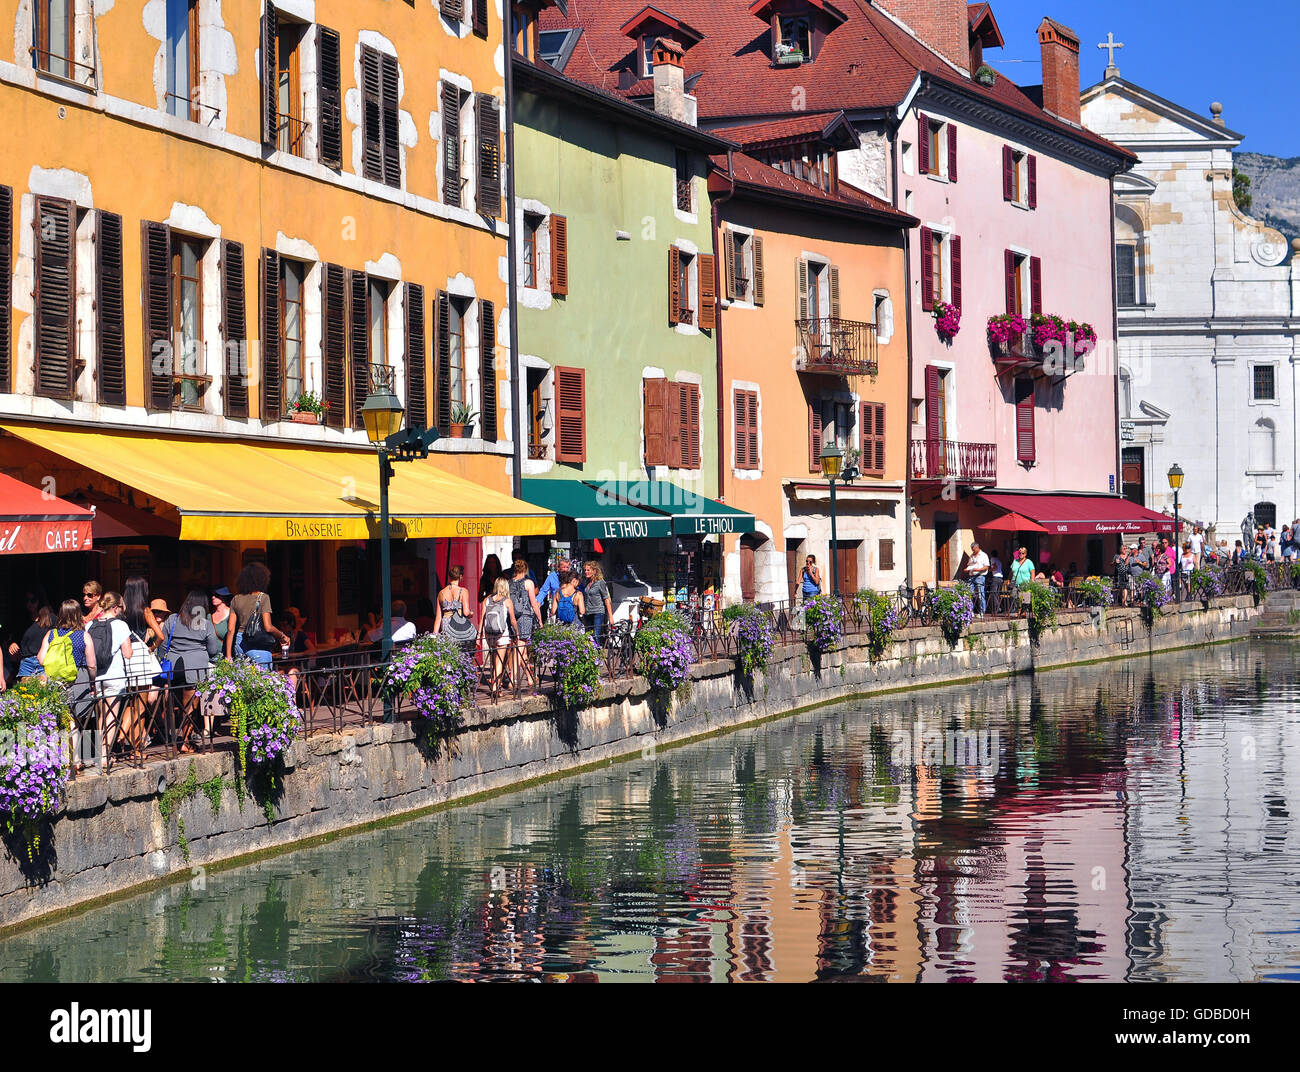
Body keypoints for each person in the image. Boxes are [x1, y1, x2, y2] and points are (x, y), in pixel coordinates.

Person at [37, 599, 97, 767]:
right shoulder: (83, 635)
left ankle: (63, 759)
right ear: (78, 615)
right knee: (75, 721)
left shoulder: (51, 634)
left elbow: (41, 659)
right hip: (78, 680)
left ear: (61, 614)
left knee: (61, 720)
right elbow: (92, 664)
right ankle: (76, 759)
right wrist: (92, 681)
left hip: (55, 680)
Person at [163, 590, 224, 751]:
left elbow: (163, 644)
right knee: (189, 707)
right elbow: (213, 650)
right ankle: (184, 742)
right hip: (194, 670)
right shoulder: (205, 623)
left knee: (172, 704)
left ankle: (168, 737)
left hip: (173, 668)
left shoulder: (172, 619)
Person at [87, 592, 135, 765]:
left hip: (96, 676)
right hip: (114, 676)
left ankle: (98, 753)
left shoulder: (90, 625)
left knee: (101, 715)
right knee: (111, 716)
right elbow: (127, 653)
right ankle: (105, 756)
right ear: (115, 608)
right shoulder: (121, 625)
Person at [226, 562, 289, 667]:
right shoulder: (263, 597)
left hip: (239, 641)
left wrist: (228, 656)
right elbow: (268, 627)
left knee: (245, 679)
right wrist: (282, 636)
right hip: (257, 643)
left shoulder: (236, 599)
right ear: (262, 579)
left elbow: (230, 629)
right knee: (262, 680)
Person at [479, 577, 519, 691]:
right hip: (502, 634)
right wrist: (517, 633)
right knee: (500, 660)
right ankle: (496, 687)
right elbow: (513, 620)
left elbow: (482, 619)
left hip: (489, 633)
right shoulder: (507, 601)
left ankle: (497, 683)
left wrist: (479, 636)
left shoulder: (487, 600)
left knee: (493, 659)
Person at [508, 557, 543, 688]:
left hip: (512, 617)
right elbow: (534, 603)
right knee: (520, 647)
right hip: (525, 617)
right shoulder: (528, 583)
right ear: (525, 569)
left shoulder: (509, 583)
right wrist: (539, 619)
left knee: (521, 648)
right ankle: (514, 678)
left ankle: (529, 677)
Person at [10, 594, 53, 679]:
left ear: (39, 601)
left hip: (44, 661)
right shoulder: (22, 620)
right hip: (26, 662)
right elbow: (16, 639)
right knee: (25, 690)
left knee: (43, 691)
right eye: (27, 600)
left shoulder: (51, 619)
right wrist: (13, 644)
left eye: (33, 600)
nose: (29, 603)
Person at [123, 577, 167, 651]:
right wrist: (151, 648)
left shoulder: (122, 609)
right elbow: (161, 637)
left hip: (124, 650)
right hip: (139, 651)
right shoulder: (145, 611)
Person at [434, 565, 472, 636]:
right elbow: (466, 613)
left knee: (449, 646)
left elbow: (438, 618)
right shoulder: (463, 591)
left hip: (446, 625)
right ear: (460, 576)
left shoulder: (441, 593)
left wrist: (434, 635)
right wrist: (471, 614)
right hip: (458, 624)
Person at [582, 561, 614, 643]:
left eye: (588, 570)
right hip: (588, 612)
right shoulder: (586, 582)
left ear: (594, 571)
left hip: (598, 612)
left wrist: (610, 616)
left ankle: (598, 653)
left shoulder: (600, 582)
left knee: (597, 635)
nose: (586, 572)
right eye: (585, 570)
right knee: (589, 635)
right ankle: (591, 654)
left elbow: (606, 599)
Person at [966, 542, 989, 617]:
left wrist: (978, 570)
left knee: (980, 594)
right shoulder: (972, 556)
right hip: (972, 576)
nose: (972, 551)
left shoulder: (983, 555)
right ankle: (970, 611)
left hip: (980, 576)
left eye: (973, 549)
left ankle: (982, 612)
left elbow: (986, 567)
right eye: (972, 549)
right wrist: (968, 568)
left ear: (977, 547)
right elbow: (969, 564)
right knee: (969, 594)